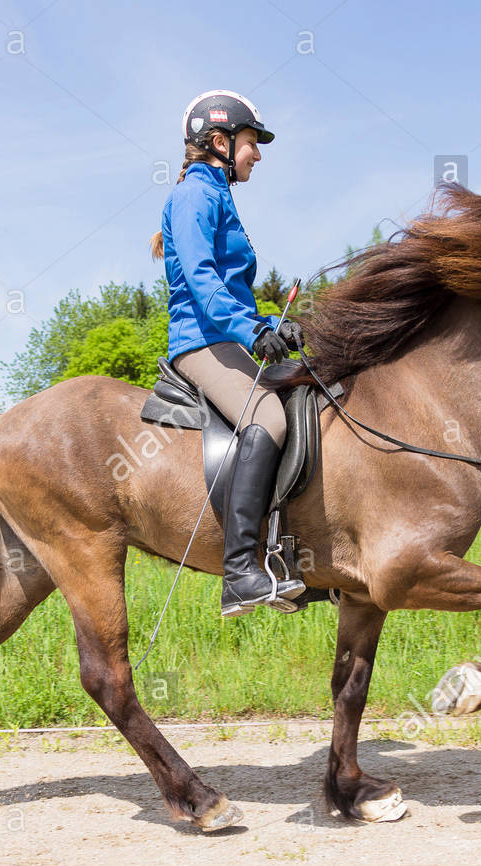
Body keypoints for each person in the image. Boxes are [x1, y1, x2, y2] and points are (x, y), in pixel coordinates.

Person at [149, 90, 306, 617]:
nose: (257, 153)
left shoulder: (218, 194)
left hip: (228, 333)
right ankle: (241, 569)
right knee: (269, 417)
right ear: (219, 142)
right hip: (201, 341)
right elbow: (201, 282)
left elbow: (231, 291)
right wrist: (249, 329)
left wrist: (269, 326)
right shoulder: (196, 195)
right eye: (251, 142)